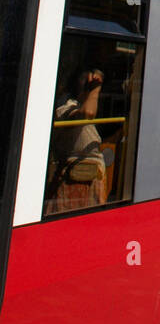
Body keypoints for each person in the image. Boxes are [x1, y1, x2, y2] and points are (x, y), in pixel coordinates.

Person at [45, 67, 109, 214]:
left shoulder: (83, 104)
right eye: (84, 79)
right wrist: (94, 90)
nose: (88, 82)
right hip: (73, 176)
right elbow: (88, 113)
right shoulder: (66, 106)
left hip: (90, 174)